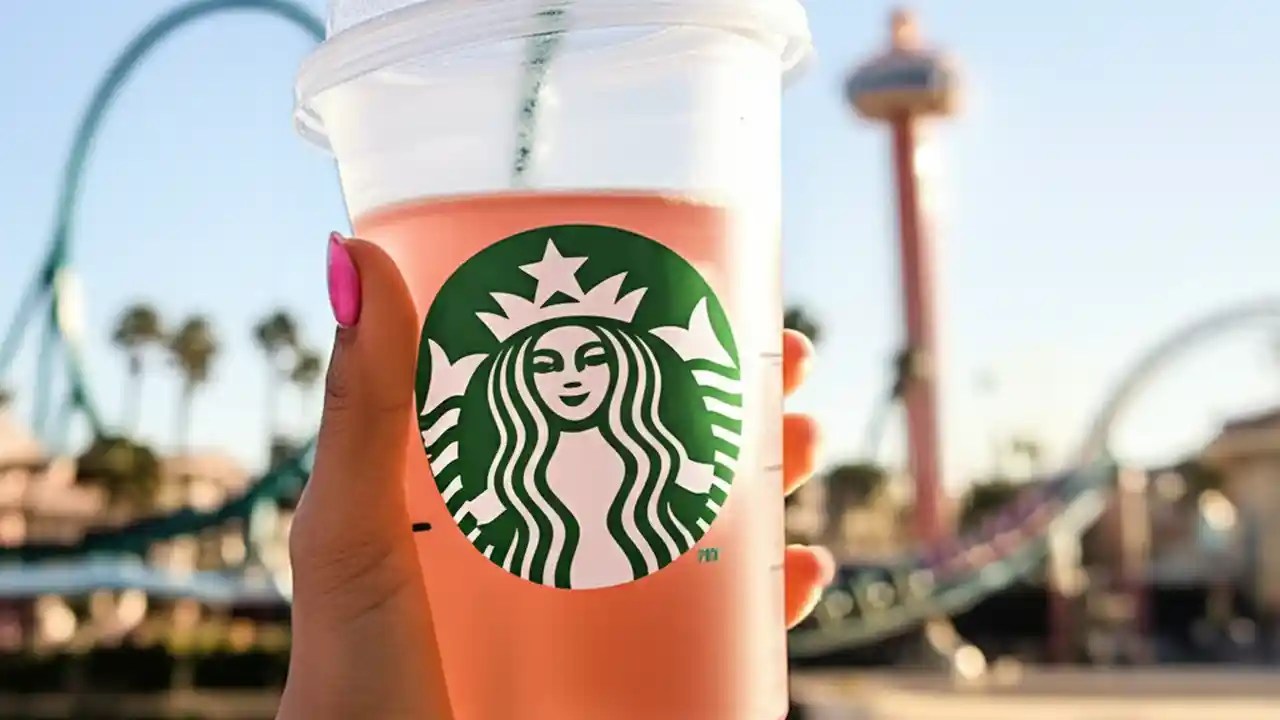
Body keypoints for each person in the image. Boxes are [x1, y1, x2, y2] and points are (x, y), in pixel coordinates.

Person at [277, 235, 835, 719]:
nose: (571, 378)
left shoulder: (680, 473)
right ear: (517, 377)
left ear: (625, 364)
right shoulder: (497, 495)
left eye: (590, 358)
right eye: (546, 363)